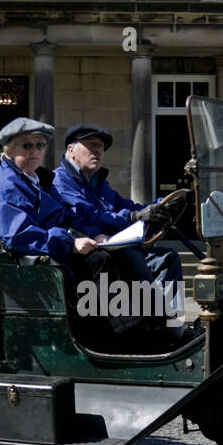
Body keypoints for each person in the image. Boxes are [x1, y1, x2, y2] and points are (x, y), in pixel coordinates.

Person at [51, 122, 184, 318]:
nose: (97, 150)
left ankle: (174, 323)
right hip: (84, 254)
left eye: (101, 146)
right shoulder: (60, 181)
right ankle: (156, 324)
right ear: (71, 150)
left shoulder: (99, 185)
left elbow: (126, 206)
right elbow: (90, 216)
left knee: (167, 258)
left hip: (112, 248)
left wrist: (159, 207)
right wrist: (134, 217)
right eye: (90, 144)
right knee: (132, 257)